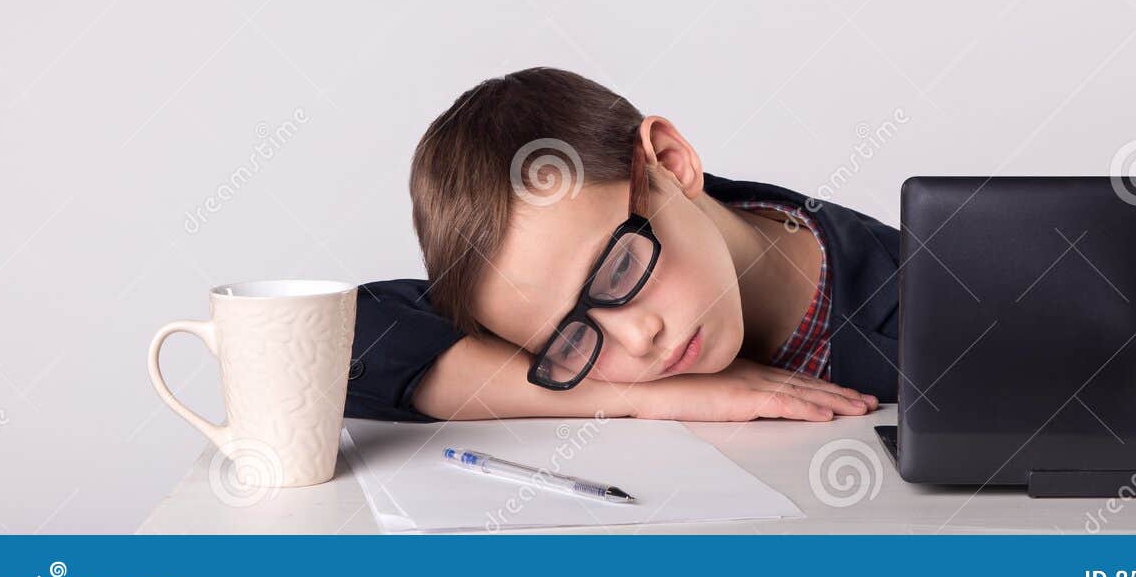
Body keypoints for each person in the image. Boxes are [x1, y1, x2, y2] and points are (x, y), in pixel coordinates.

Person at [346, 67, 898, 423]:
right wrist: (644, 399)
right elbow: (345, 341)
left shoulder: (951, 288)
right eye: (568, 343)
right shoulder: (607, 365)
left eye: (617, 271)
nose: (637, 340)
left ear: (669, 161)